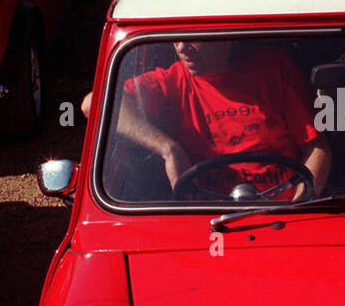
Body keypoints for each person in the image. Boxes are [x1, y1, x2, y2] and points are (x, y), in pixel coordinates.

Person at [117, 38, 331, 200]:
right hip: (209, 218)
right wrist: (168, 149)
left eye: (193, 36)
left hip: (284, 213)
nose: (181, 47)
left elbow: (316, 147)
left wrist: (299, 205)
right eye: (176, 37)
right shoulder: (171, 81)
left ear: (225, 38)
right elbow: (94, 104)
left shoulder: (273, 68)